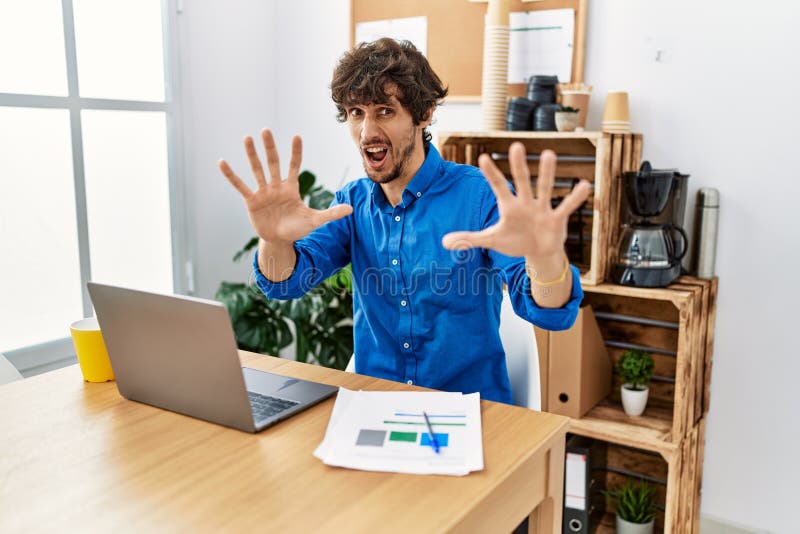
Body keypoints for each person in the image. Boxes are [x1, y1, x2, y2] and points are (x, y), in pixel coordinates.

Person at [218, 38, 590, 404]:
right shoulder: (351, 203)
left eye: (384, 111)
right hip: (376, 407)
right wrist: (274, 240)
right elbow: (285, 285)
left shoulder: (479, 197)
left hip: (471, 413)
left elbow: (551, 314)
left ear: (424, 113)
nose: (367, 132)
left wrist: (544, 258)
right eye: (356, 113)